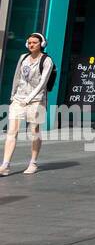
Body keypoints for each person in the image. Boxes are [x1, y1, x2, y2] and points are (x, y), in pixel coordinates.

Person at [2, 33, 56, 176]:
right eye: (30, 42)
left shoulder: (46, 60)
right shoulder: (23, 58)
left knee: (34, 131)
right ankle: (5, 165)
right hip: (19, 99)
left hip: (37, 99)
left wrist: (30, 98)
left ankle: (33, 163)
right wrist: (13, 95)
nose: (31, 45)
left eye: (35, 43)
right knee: (12, 131)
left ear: (42, 44)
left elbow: (43, 83)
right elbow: (17, 77)